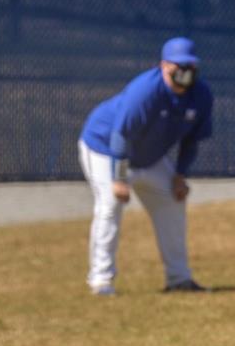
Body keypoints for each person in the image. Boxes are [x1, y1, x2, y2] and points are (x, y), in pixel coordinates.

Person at [77, 36, 214, 295]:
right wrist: (118, 179)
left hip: (148, 158)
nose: (185, 72)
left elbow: (192, 140)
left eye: (190, 66)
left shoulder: (201, 95)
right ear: (164, 66)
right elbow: (120, 134)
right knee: (110, 203)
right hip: (106, 149)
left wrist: (180, 175)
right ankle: (101, 281)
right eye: (178, 65)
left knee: (172, 201)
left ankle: (179, 280)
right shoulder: (146, 91)